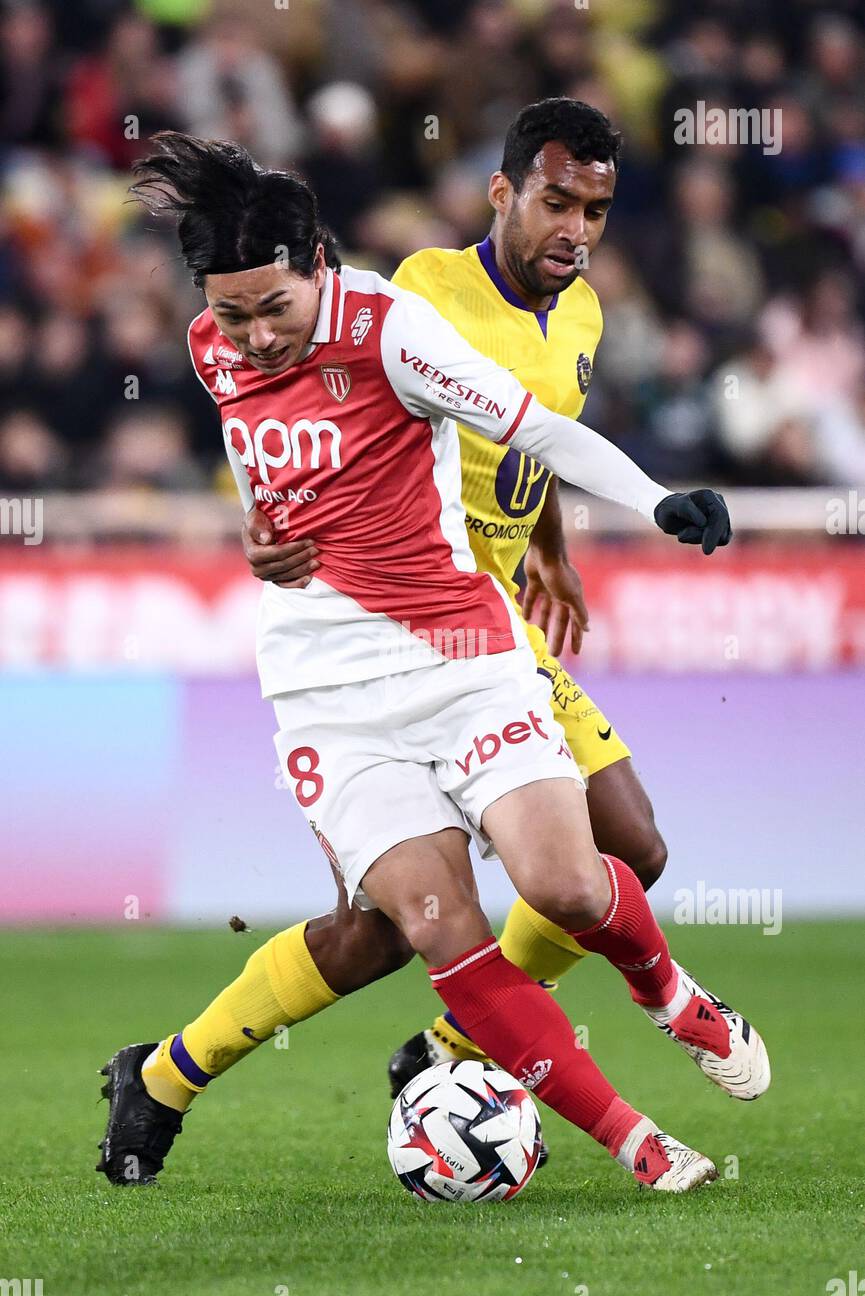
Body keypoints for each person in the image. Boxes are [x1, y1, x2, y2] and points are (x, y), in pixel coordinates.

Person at [98, 130, 766, 1197]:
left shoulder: (391, 330)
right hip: (327, 688)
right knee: (423, 925)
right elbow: (264, 467)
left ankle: (672, 998)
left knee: (564, 877)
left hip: (460, 653)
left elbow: (533, 429)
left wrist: (653, 501)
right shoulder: (209, 346)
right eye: (233, 315)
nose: (257, 337)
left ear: (318, 261)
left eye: (276, 308)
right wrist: (260, 536)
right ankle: (638, 1143)